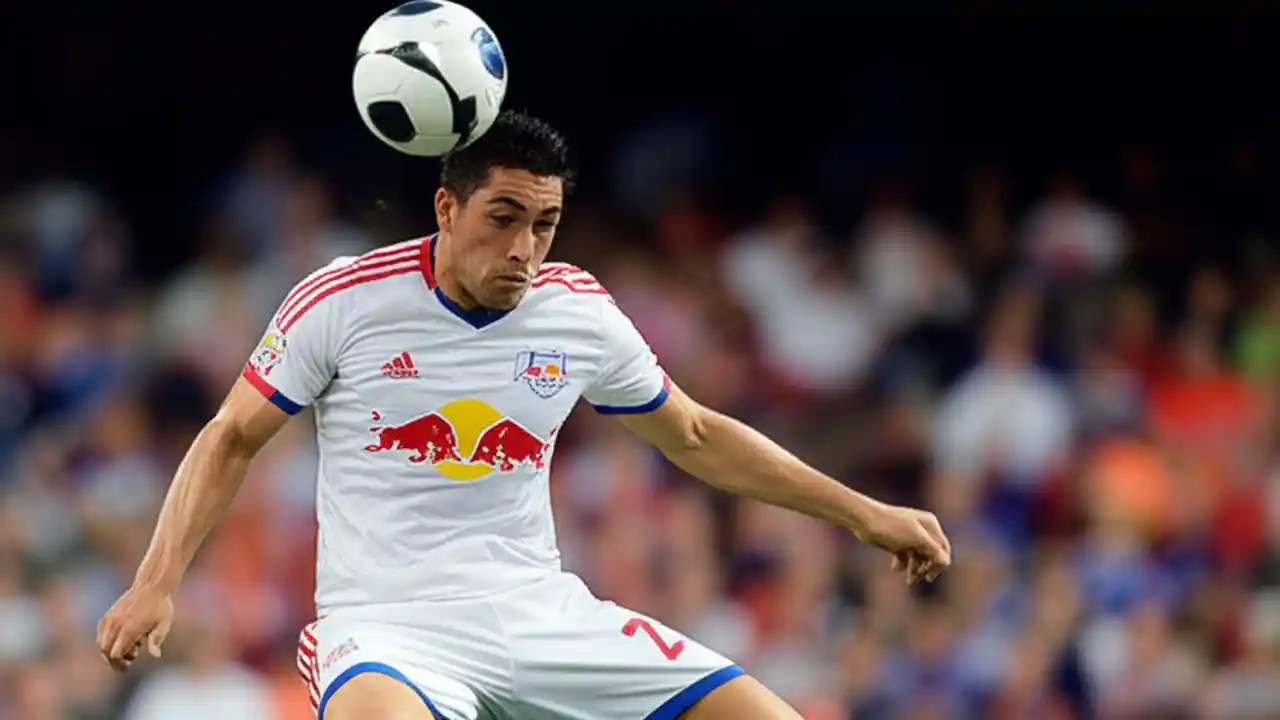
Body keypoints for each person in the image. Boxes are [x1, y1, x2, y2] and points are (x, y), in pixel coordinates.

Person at [97, 111, 951, 720]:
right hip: (388, 627)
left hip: (540, 612)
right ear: (446, 208)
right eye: (504, 218)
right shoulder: (344, 299)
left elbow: (693, 435)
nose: (524, 248)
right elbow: (231, 436)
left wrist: (865, 513)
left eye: (545, 224)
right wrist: (156, 581)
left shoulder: (575, 311)